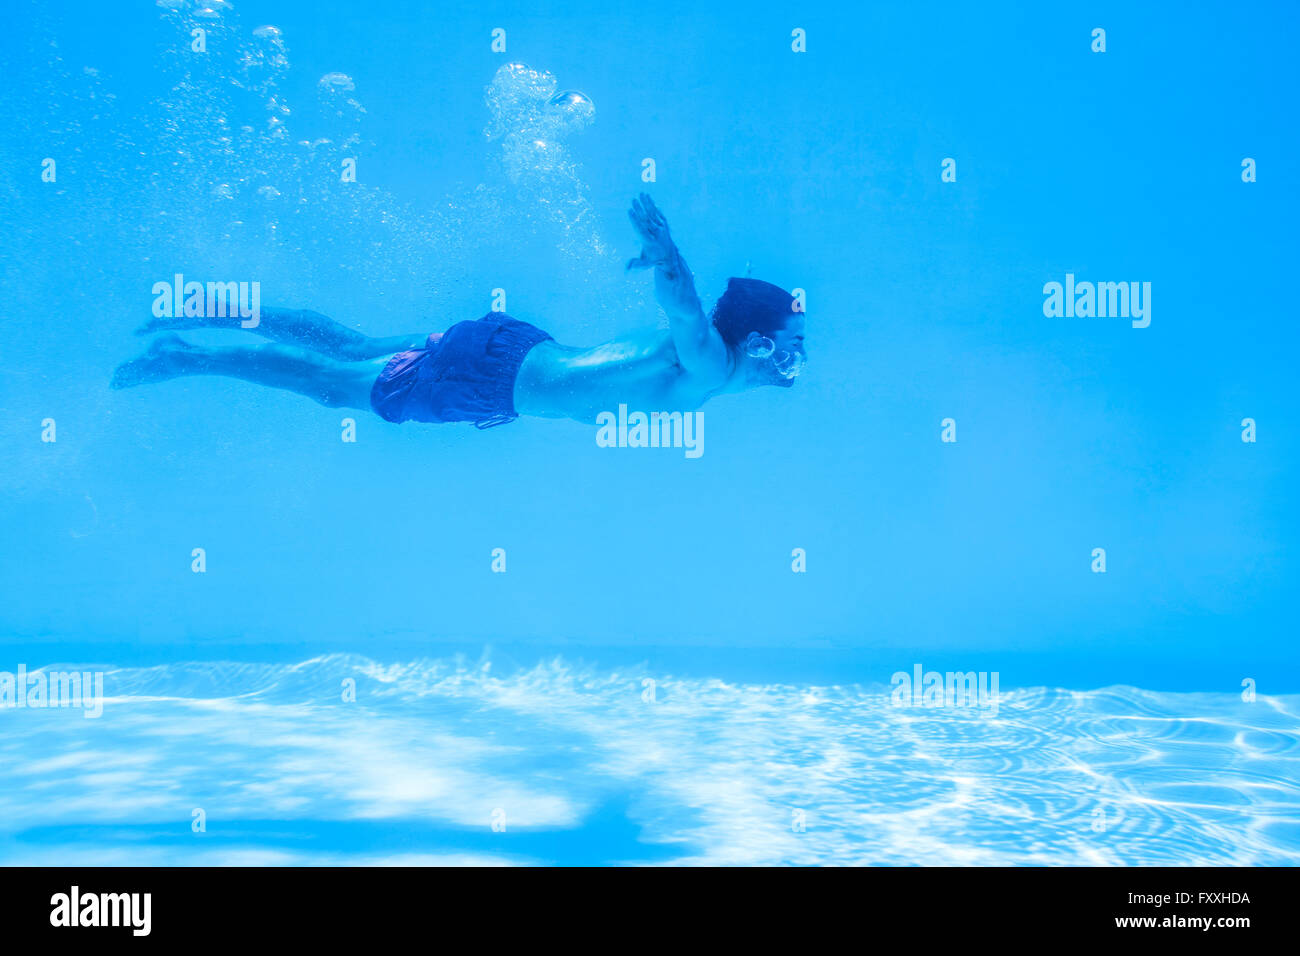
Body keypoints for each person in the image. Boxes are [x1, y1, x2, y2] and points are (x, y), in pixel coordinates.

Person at [113, 194, 807, 427]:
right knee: (331, 385)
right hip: (490, 382)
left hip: (511, 350)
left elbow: (684, 315)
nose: (799, 358)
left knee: (350, 347)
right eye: (792, 342)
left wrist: (668, 258)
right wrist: (668, 253)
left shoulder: (706, 366)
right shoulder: (712, 365)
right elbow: (688, 314)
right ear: (759, 340)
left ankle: (215, 307)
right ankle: (187, 355)